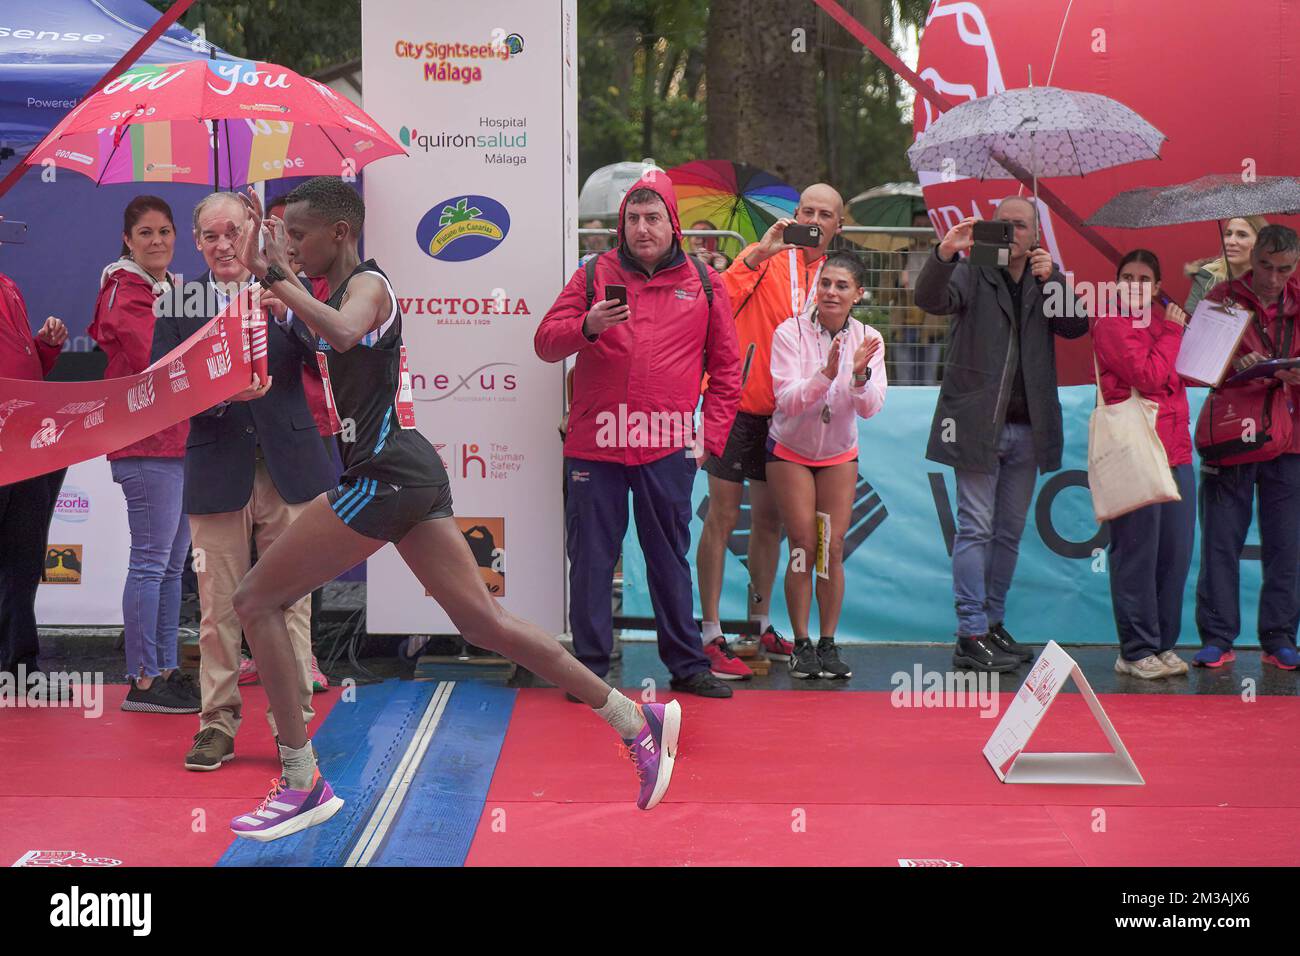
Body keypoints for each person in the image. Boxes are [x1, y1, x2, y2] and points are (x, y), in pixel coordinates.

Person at [226, 177, 683, 840]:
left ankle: (303, 782)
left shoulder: (368, 289)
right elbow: (323, 339)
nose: (291, 245)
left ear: (340, 234)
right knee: (485, 624)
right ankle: (632, 720)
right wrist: (279, 299)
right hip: (406, 474)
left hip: (385, 478)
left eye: (299, 235)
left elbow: (349, 333)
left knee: (254, 600)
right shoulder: (326, 291)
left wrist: (276, 274)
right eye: (285, 236)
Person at [537, 173, 742, 699]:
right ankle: (588, 669)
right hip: (594, 445)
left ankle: (688, 665)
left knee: (668, 556)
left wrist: (709, 440)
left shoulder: (703, 280)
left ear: (671, 222)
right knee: (590, 559)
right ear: (621, 225)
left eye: (653, 219)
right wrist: (588, 325)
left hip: (667, 445)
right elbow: (545, 343)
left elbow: (727, 369)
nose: (642, 229)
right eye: (633, 219)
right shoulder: (592, 275)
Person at [151, 191, 334, 771]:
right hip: (217, 467)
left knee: (291, 601)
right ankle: (217, 723)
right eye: (211, 235)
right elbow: (164, 388)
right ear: (198, 241)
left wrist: (286, 307)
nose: (224, 244)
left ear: (256, 231)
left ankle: (294, 726)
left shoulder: (288, 289)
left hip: (292, 467)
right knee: (217, 607)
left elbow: (329, 354)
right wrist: (217, 397)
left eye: (234, 232)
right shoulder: (179, 303)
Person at [914, 197, 1089, 672]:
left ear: (1037, 234)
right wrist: (946, 251)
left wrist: (1052, 278)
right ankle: (969, 633)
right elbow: (929, 300)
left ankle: (992, 623)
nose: (1012, 232)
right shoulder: (973, 271)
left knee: (1008, 533)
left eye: (1021, 225)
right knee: (975, 528)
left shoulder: (1043, 278)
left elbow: (1076, 326)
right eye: (1005, 224)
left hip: (1029, 428)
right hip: (975, 425)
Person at [696, 183, 845, 679]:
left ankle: (757, 624)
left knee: (770, 524)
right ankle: (710, 632)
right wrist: (757, 254)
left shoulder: (834, 278)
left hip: (789, 417)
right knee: (720, 517)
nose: (816, 220)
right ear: (795, 214)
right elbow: (719, 298)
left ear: (839, 226)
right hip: (737, 403)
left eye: (826, 214)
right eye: (808, 211)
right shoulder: (769, 259)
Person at [88, 196, 199, 714]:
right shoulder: (125, 289)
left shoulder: (169, 289)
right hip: (145, 442)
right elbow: (152, 355)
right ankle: (144, 680)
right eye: (147, 233)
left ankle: (166, 669)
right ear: (128, 240)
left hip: (176, 439)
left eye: (166, 231)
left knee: (173, 566)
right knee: (152, 564)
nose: (158, 241)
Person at [767, 253, 887, 679]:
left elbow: (871, 408)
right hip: (790, 451)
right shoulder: (789, 332)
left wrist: (856, 378)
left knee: (831, 548)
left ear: (858, 294)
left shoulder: (869, 338)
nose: (832, 292)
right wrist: (825, 373)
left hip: (839, 454)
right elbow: (786, 400)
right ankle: (801, 644)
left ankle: (828, 644)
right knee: (803, 545)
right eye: (826, 284)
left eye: (841, 286)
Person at [1194, 224, 1300, 671]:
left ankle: (1279, 637)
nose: (1274, 278)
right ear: (1252, 259)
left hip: (1290, 440)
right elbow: (1195, 367)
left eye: (1285, 268)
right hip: (1234, 436)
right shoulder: (1220, 297)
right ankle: (1218, 638)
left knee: (1287, 544)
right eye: (1265, 267)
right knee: (1221, 542)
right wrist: (1233, 362)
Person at [1093, 250, 1194, 679]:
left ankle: (1162, 644)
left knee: (1175, 554)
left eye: (1143, 278)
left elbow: (1187, 373)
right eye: (1126, 277)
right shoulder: (1111, 322)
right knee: (1137, 553)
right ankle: (1135, 650)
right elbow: (1150, 377)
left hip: (1177, 451)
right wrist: (1173, 331)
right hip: (1137, 451)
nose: (1134, 284)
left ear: (1156, 287)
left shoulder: (1172, 322)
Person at [0, 217, 68, 696]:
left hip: (26, 445)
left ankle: (20, 668)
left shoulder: (9, 287)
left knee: (23, 561)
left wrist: (45, 348)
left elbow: (25, 369)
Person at [1184, 216, 1268, 316]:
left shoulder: (1274, 282)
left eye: (1242, 235)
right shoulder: (1206, 278)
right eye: (1228, 234)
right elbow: (1190, 323)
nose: (1230, 242)